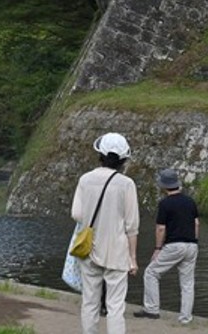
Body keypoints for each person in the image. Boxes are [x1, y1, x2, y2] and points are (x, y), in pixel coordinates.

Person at [70, 132, 139, 334]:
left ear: (99, 154)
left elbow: (76, 214)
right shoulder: (126, 184)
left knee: (90, 302)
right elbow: (132, 225)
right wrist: (132, 258)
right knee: (116, 306)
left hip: (89, 248)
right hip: (117, 251)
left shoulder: (85, 179)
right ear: (123, 159)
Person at [135, 168, 199, 324]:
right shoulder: (190, 201)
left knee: (151, 272)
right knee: (187, 282)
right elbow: (196, 223)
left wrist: (157, 248)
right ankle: (185, 318)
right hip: (191, 245)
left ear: (164, 186)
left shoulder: (165, 203)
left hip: (174, 245)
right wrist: (194, 242)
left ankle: (152, 309)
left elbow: (161, 228)